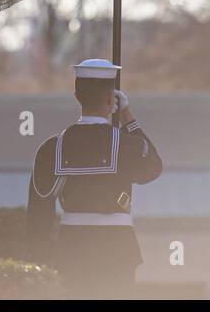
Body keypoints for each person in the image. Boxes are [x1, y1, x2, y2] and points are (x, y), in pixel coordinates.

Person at [26, 58, 163, 298]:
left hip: (72, 248)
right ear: (112, 101)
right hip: (118, 248)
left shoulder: (51, 148)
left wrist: (41, 263)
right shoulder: (128, 145)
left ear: (76, 96)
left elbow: (38, 216)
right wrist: (128, 117)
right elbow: (154, 167)